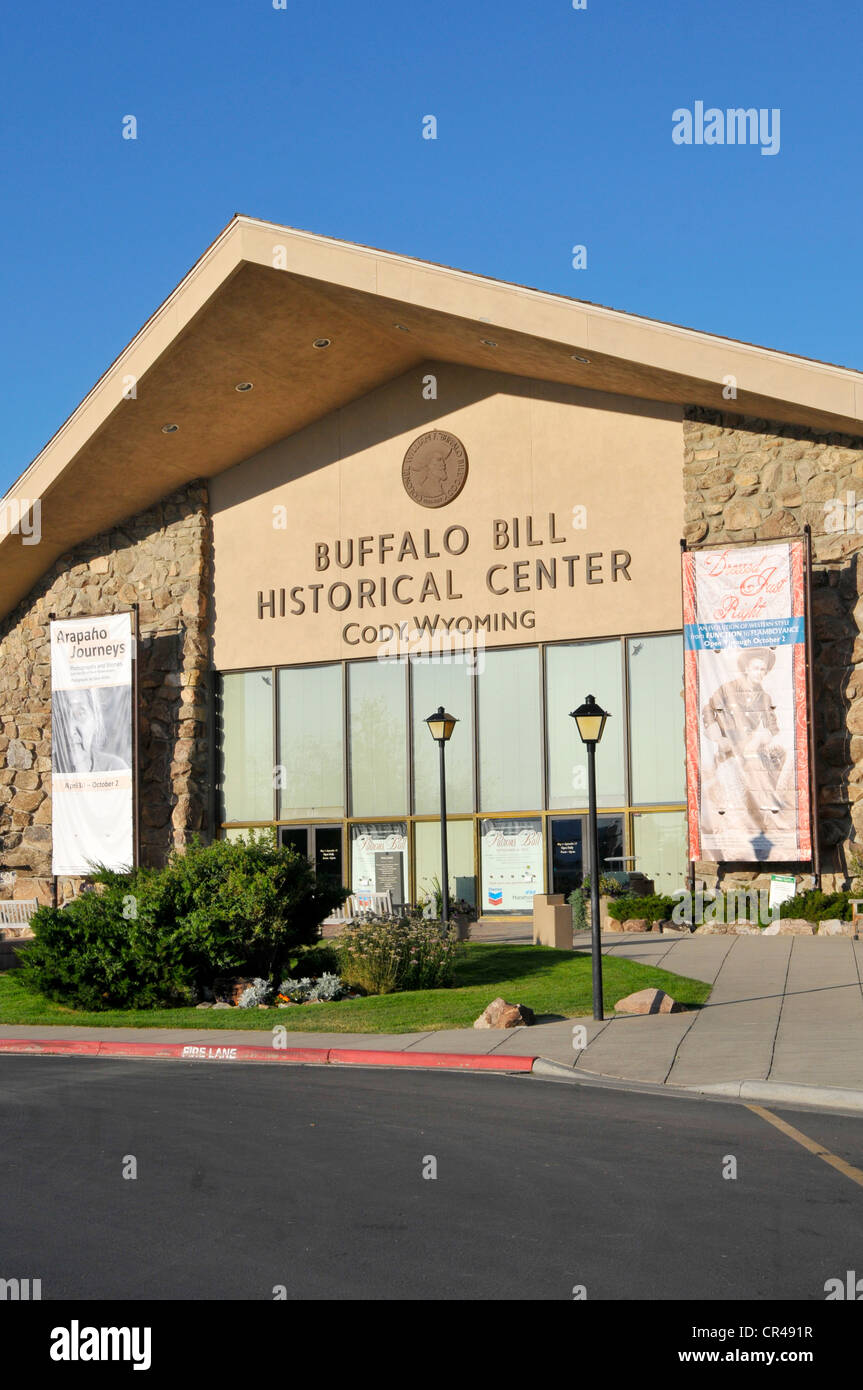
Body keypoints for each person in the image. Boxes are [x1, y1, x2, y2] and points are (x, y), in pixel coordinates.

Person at [701, 648, 787, 835]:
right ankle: (769, 810)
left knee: (770, 756)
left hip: (752, 749)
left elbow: (773, 726)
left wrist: (762, 737)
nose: (760, 673)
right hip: (729, 749)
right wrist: (718, 737)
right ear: (746, 669)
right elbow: (708, 711)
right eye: (756, 668)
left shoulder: (764, 697)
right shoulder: (727, 689)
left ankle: (768, 810)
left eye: (763, 669)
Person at [55, 688, 129, 774]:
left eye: (80, 713)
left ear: (96, 720)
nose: (70, 731)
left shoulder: (116, 769)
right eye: (60, 715)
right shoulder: (47, 771)